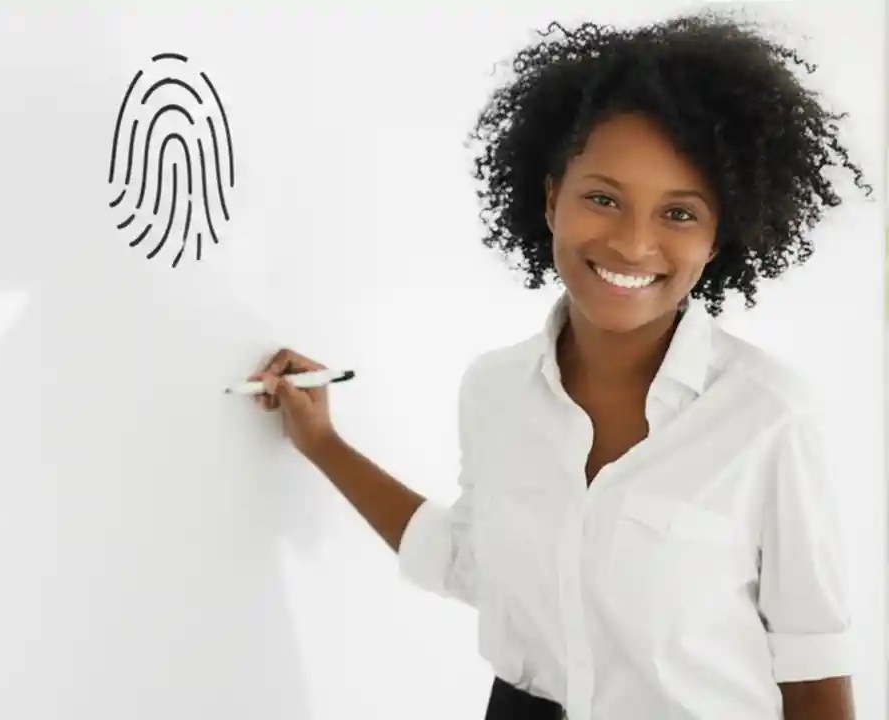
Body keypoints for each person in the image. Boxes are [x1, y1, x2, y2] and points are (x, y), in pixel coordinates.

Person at [247, 12, 869, 720]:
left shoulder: (768, 414)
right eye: (603, 199)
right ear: (551, 200)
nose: (633, 244)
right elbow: (469, 563)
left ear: (717, 234)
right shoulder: (495, 391)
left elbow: (814, 671)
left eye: (678, 214)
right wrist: (322, 442)